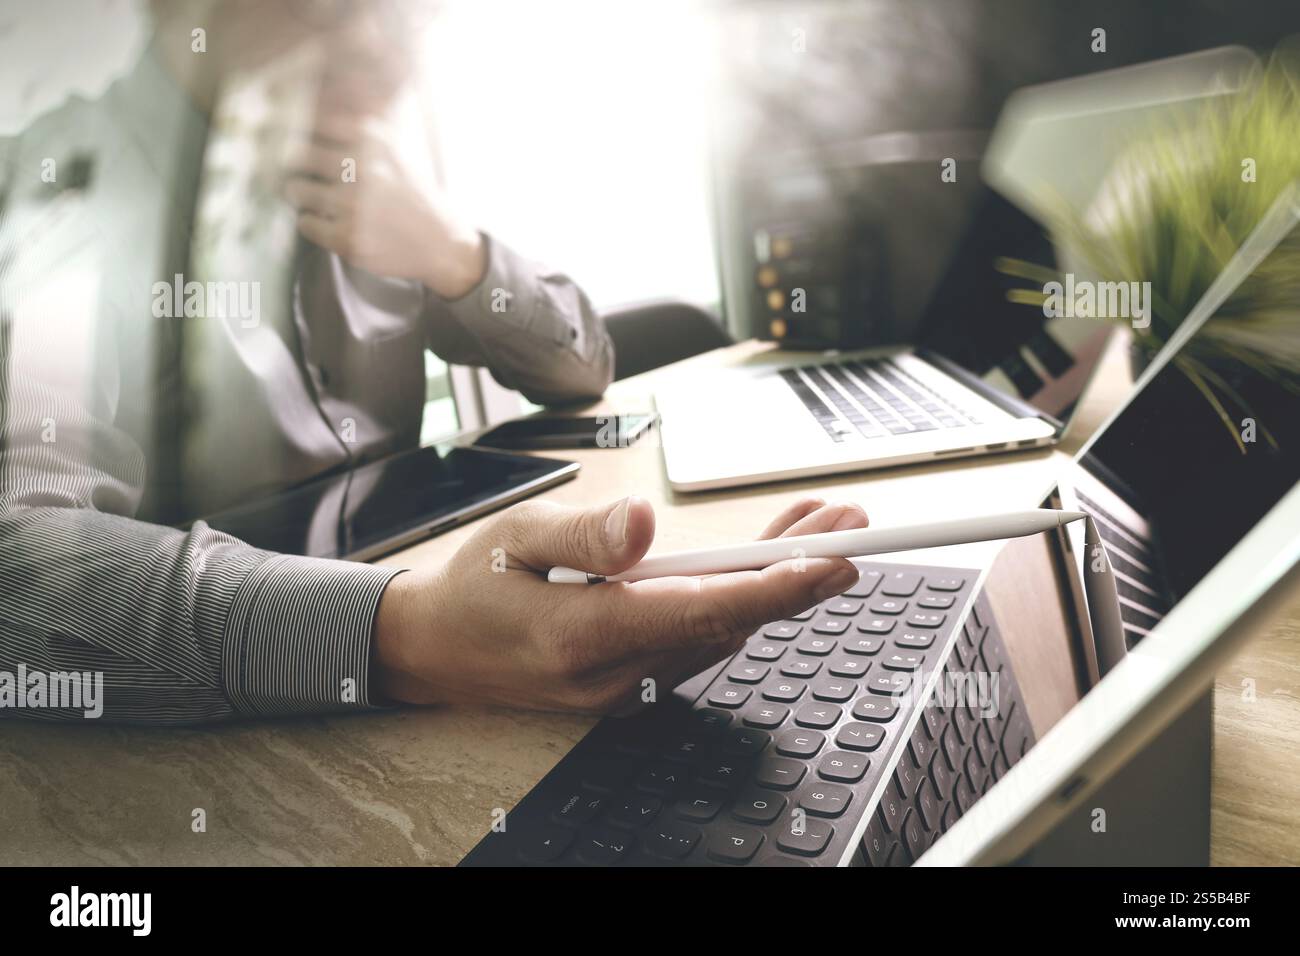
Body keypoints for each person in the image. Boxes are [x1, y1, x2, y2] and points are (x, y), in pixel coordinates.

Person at [0, 0, 869, 724]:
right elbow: (18, 571)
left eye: (404, 18)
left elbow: (582, 366)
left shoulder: (363, 160)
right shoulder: (58, 190)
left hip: (438, 651)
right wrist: (399, 638)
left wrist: (452, 253)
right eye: (334, 11)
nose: (386, 58)